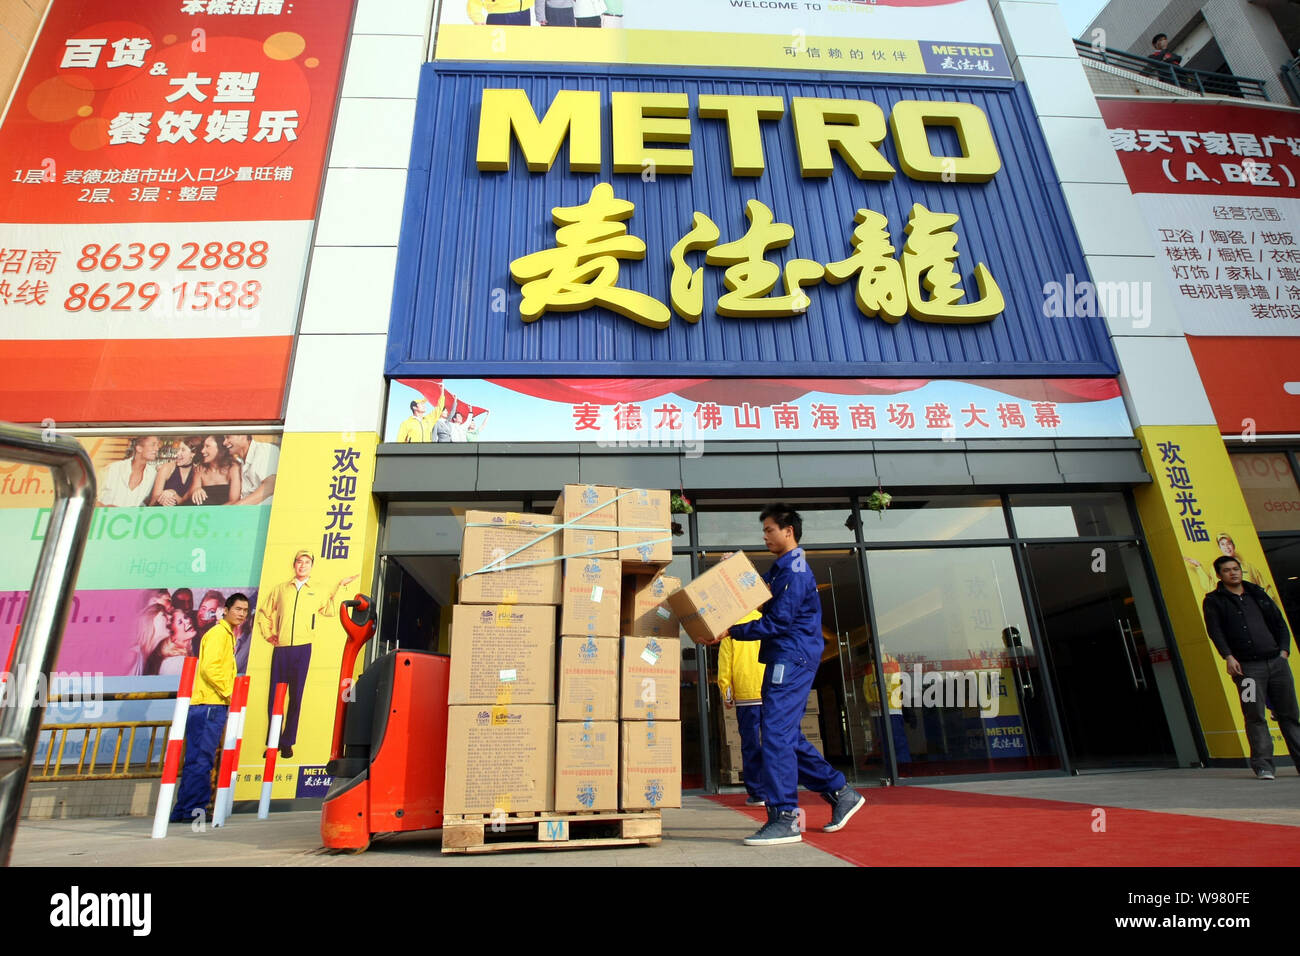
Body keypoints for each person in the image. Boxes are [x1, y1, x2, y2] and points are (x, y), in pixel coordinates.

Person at [710, 504, 864, 845]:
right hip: (784, 657)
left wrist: (731, 631)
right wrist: (734, 572)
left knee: (776, 733)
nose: (765, 536)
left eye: (769, 530)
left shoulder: (794, 572)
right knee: (784, 734)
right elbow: (758, 594)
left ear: (788, 531)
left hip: (792, 658)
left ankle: (785, 818)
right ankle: (840, 792)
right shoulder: (781, 571)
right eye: (764, 531)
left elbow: (776, 621)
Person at [1202, 555, 1300, 780]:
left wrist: (1284, 652)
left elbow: (1279, 624)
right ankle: (1263, 766)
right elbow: (1215, 631)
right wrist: (1228, 656)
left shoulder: (1258, 594)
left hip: (1277, 663)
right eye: (1227, 570)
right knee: (1254, 715)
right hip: (1246, 668)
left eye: (1236, 568)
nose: (1233, 573)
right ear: (1219, 575)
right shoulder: (1214, 600)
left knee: (1289, 713)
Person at [255, 551, 358, 759]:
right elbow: (264, 613)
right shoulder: (281, 589)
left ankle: (287, 742)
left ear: (312, 566)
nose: (302, 566)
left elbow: (329, 610)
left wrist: (340, 586)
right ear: (294, 565)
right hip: (281, 648)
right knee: (275, 697)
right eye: (299, 562)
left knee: (296, 696)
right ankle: (273, 741)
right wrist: (268, 635)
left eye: (307, 562)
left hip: (303, 648)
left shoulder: (317, 590)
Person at [170, 593, 247, 823]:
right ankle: (195, 811)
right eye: (238, 609)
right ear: (225, 609)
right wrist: (230, 692)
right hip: (210, 704)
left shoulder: (226, 635)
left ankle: (183, 811)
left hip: (208, 704)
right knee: (202, 760)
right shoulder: (218, 634)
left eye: (245, 610)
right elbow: (210, 668)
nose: (241, 614)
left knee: (196, 760)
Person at [717, 610, 767, 806]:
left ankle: (757, 792)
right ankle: (777, 787)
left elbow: (724, 664)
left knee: (750, 743)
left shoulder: (731, 628)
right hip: (770, 691)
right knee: (774, 741)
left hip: (746, 694)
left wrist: (727, 693)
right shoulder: (765, 622)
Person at [1188, 534, 1273, 596]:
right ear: (1220, 548)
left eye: (1229, 543)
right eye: (1223, 544)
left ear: (1233, 545)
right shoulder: (1216, 568)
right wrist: (1198, 567)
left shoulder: (1248, 566)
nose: (1227, 547)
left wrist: (1267, 606)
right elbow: (1210, 587)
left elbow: (1266, 587)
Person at [97, 436, 160, 508]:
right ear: (139, 448)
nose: (157, 449)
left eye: (157, 445)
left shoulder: (153, 474)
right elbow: (90, 499)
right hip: (105, 517)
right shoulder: (112, 469)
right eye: (153, 445)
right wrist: (105, 507)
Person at [223, 434, 278, 505]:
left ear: (243, 435)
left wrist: (237, 507)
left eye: (228, 437)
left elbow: (270, 485)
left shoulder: (264, 450)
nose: (224, 443)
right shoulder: (241, 462)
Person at [149, 438, 201, 506]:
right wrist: (162, 496)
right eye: (178, 449)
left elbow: (187, 503)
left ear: (193, 454)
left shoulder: (197, 472)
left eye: (183, 450)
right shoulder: (166, 468)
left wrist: (173, 493)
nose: (178, 453)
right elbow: (152, 502)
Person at [192, 435, 241, 506]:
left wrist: (215, 514)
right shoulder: (200, 469)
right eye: (203, 446)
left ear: (219, 449)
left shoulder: (233, 468)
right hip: (205, 514)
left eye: (207, 446)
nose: (202, 451)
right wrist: (196, 490)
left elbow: (234, 501)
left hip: (225, 513)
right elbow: (193, 490)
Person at [128, 602, 171, 676]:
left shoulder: (154, 659)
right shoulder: (131, 656)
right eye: (164, 614)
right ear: (150, 620)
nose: (170, 616)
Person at [467, 0, 533, 25]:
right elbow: (474, 1)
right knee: (497, 53)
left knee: (520, 51)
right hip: (497, 15)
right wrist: (477, 17)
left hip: (523, 13)